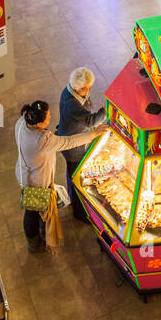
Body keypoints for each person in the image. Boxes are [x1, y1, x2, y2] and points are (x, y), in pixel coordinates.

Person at [15, 100, 105, 253]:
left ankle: (37, 238)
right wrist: (93, 134)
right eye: (48, 117)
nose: (50, 117)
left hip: (23, 174)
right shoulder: (43, 140)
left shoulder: (21, 123)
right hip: (38, 181)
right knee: (36, 211)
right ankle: (36, 241)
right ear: (39, 124)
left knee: (32, 210)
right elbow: (68, 142)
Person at [56, 68, 105, 223]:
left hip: (68, 138)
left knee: (72, 174)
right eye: (87, 88)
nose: (89, 90)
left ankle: (72, 196)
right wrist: (108, 109)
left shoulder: (68, 90)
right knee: (76, 177)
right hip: (73, 147)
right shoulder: (72, 105)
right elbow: (92, 120)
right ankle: (79, 212)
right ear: (79, 88)